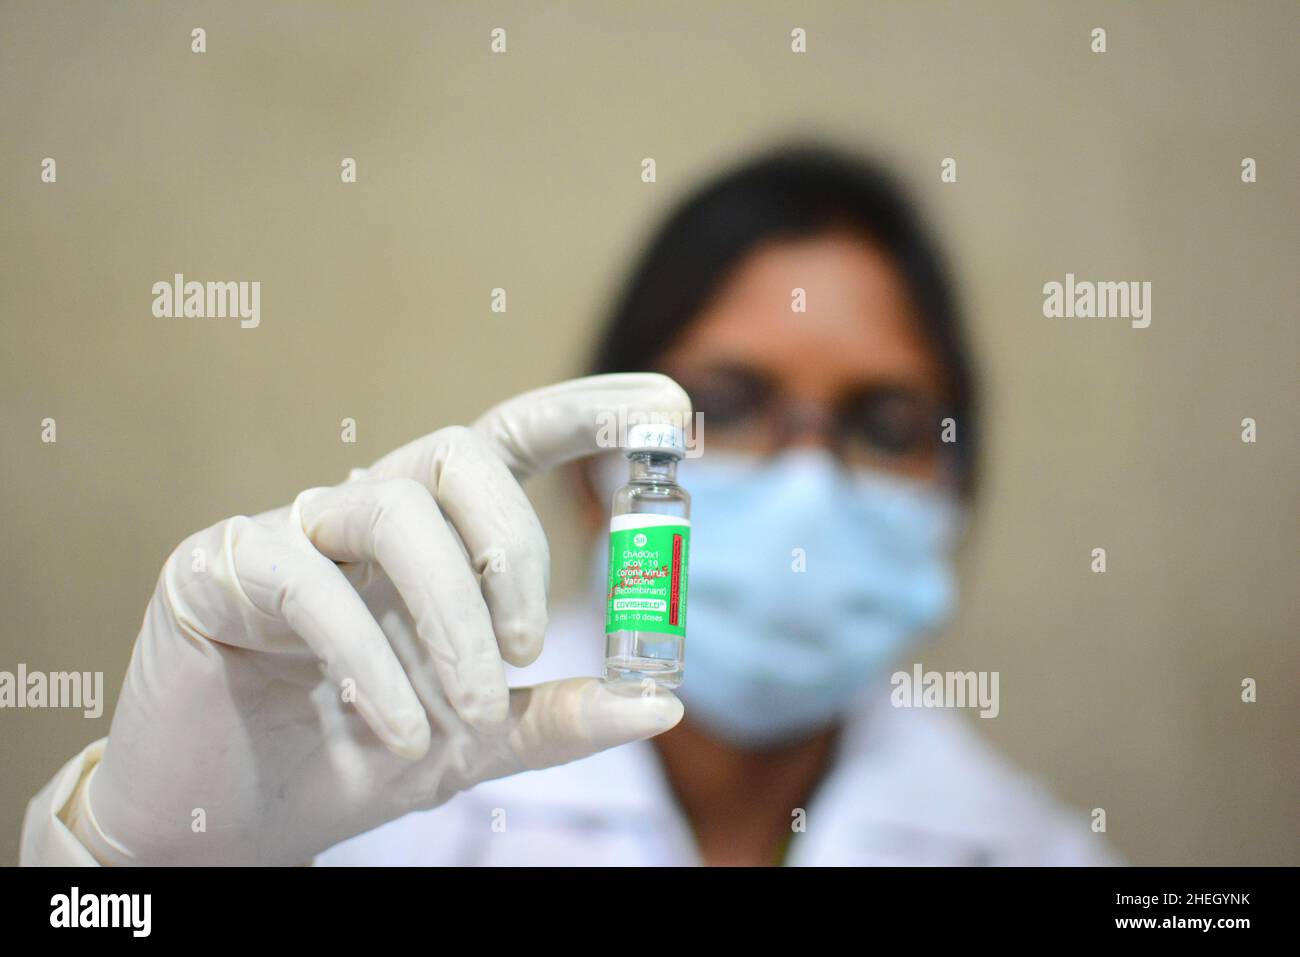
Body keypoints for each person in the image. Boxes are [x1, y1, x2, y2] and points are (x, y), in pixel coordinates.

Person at [21, 144, 1117, 866]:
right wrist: (137, 870)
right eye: (727, 405)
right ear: (599, 464)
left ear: (953, 488)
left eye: (882, 427)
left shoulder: (1026, 849)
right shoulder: (382, 797)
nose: (804, 480)